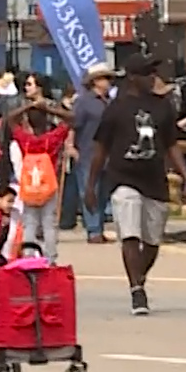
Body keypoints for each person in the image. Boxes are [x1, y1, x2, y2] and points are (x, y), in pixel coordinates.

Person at [86, 56, 186, 316]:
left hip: (154, 179)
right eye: (148, 74)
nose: (153, 79)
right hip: (123, 177)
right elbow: (100, 149)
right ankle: (137, 290)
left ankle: (139, 276)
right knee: (130, 235)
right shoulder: (116, 108)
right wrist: (91, 186)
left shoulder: (163, 107)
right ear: (134, 77)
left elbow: (171, 145)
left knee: (152, 241)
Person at [6, 99, 70, 260]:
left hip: (29, 186)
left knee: (30, 222)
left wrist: (27, 106)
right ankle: (50, 258)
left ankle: (28, 255)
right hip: (48, 185)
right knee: (49, 223)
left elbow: (10, 119)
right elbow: (72, 119)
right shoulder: (52, 139)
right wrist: (49, 109)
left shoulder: (25, 140)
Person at [68, 66, 116, 243]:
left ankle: (100, 226)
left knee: (104, 191)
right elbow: (74, 124)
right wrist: (71, 146)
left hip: (108, 153)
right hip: (88, 151)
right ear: (95, 81)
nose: (108, 82)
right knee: (89, 190)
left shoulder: (110, 101)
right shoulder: (84, 101)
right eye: (104, 78)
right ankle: (93, 230)